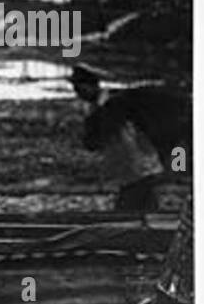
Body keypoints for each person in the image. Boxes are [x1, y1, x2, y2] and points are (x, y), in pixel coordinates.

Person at [70, 66, 191, 211]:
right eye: (75, 89)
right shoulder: (100, 108)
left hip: (138, 169)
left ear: (91, 85)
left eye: (79, 88)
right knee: (145, 212)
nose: (78, 93)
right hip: (132, 171)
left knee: (127, 213)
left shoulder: (115, 105)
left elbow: (95, 140)